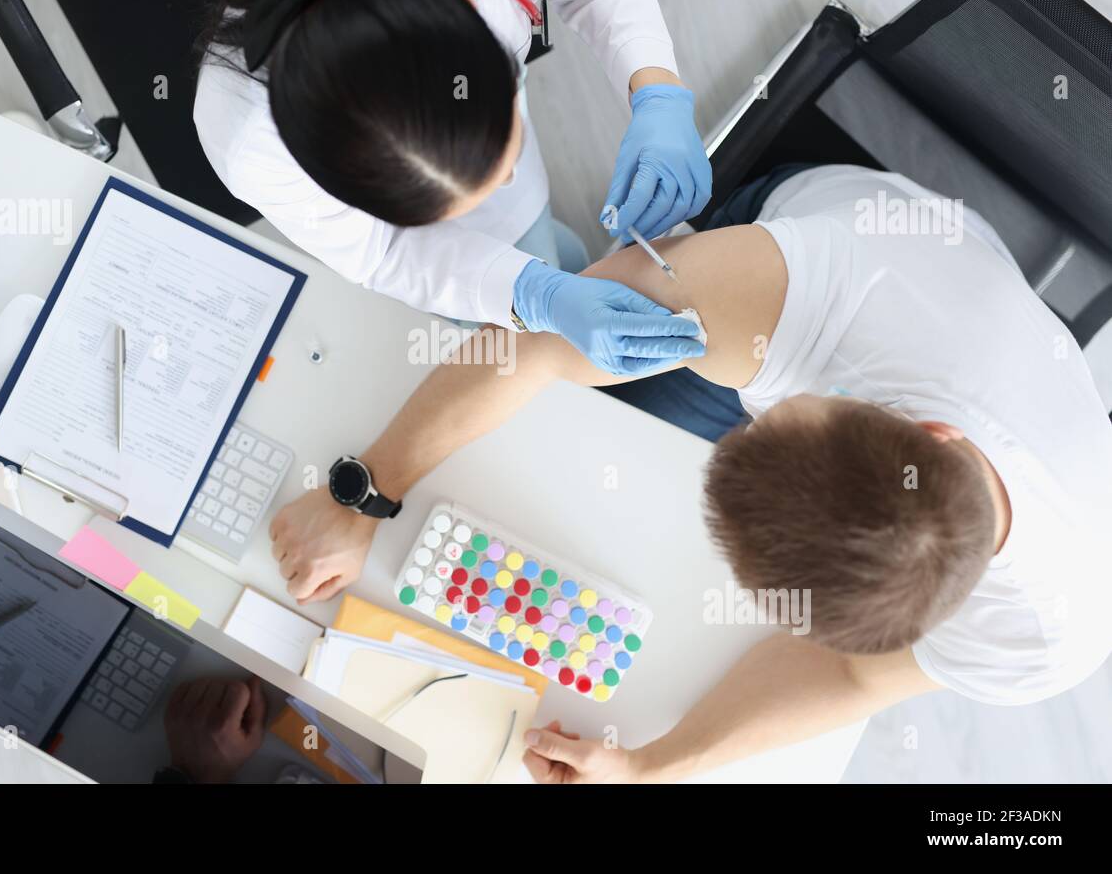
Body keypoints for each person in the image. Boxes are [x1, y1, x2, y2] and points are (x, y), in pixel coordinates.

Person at [268, 163, 1112, 781]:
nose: (763, 412)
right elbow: (540, 340)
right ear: (927, 432)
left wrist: (653, 765)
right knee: (599, 405)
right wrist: (368, 487)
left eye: (774, 418)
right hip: (826, 230)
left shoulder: (1042, 644)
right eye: (785, 416)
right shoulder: (801, 297)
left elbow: (854, 674)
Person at [195, 0, 709, 376]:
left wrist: (657, 92)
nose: (507, 180)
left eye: (500, 152)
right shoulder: (251, 145)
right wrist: (536, 294)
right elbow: (384, 253)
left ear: (466, 8)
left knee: (542, 240)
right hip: (430, 254)